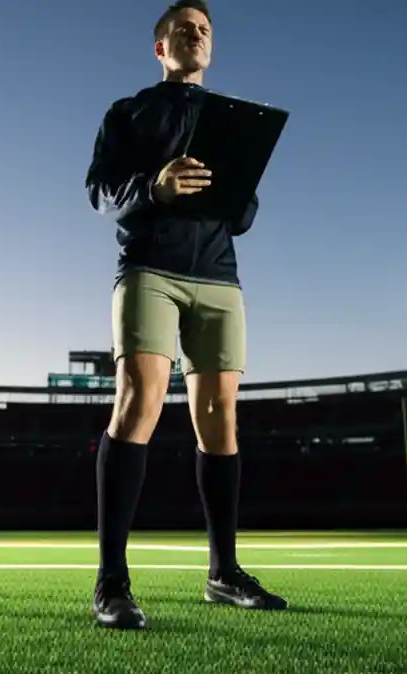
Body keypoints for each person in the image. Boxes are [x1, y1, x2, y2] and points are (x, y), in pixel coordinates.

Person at [84, 0, 288, 630]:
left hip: (220, 277)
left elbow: (245, 212)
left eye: (204, 29)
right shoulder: (128, 112)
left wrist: (233, 192)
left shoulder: (233, 120)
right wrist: (156, 188)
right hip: (150, 267)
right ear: (159, 47)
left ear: (211, 46)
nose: (195, 35)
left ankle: (223, 573)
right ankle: (111, 583)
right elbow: (99, 192)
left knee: (220, 417)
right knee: (139, 400)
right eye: (182, 29)